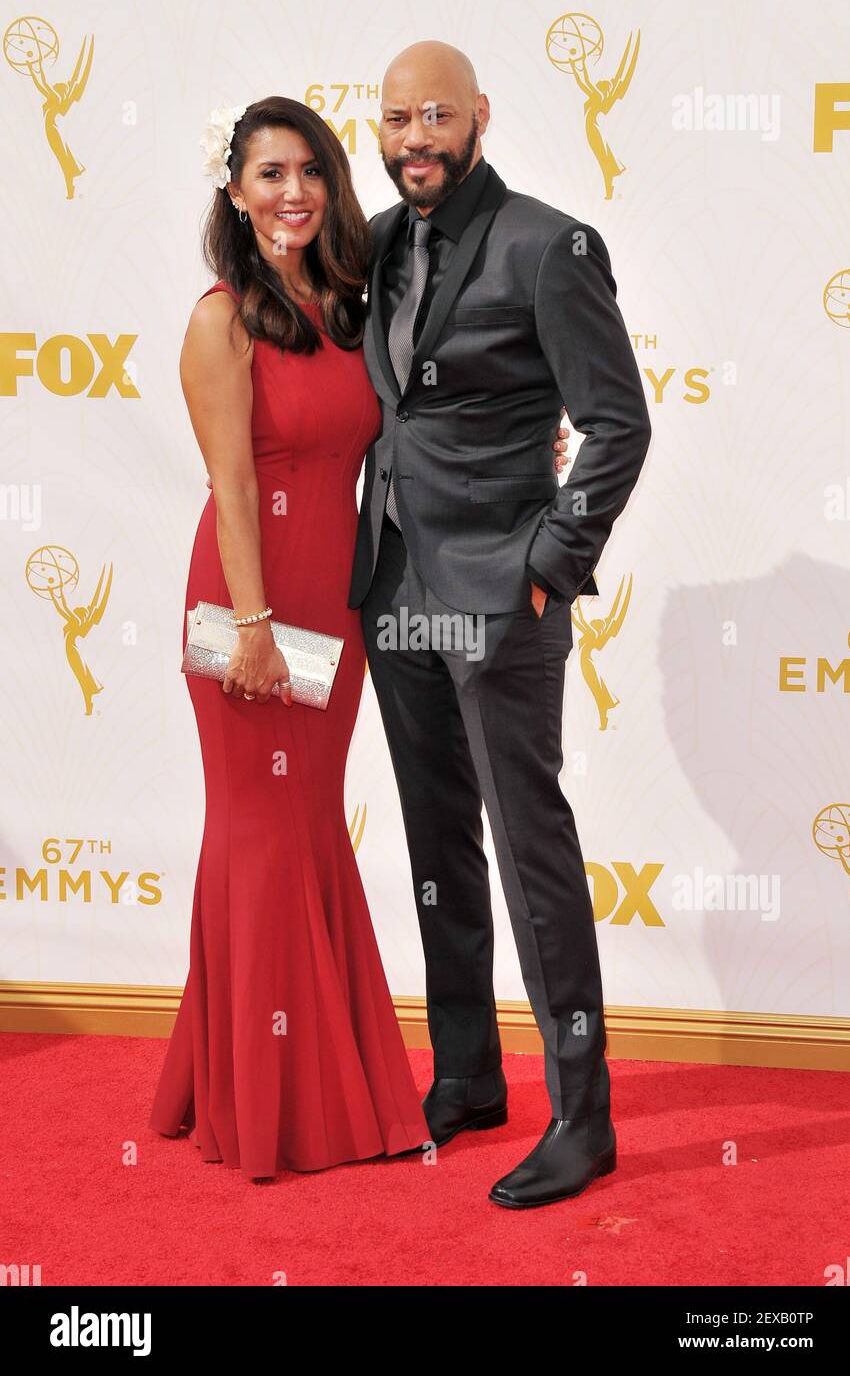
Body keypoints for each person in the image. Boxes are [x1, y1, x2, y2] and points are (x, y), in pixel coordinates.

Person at [149, 94, 572, 1182]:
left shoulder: (343, 298)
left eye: (309, 173)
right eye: (268, 176)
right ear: (234, 195)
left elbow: (433, 410)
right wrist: (249, 626)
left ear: (332, 187)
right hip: (249, 602)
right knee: (261, 833)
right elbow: (232, 487)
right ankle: (271, 1106)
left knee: (304, 834)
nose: (292, 193)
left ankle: (243, 1076)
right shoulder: (220, 316)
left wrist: (534, 439)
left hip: (339, 599)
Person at [349, 41, 652, 1208]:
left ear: (478, 115)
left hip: (499, 596)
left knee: (531, 851)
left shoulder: (546, 242)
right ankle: (469, 1071)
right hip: (395, 590)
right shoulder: (375, 244)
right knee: (436, 849)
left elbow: (615, 424)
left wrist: (547, 560)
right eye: (393, 118)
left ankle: (583, 1112)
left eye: (434, 115)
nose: (413, 137)